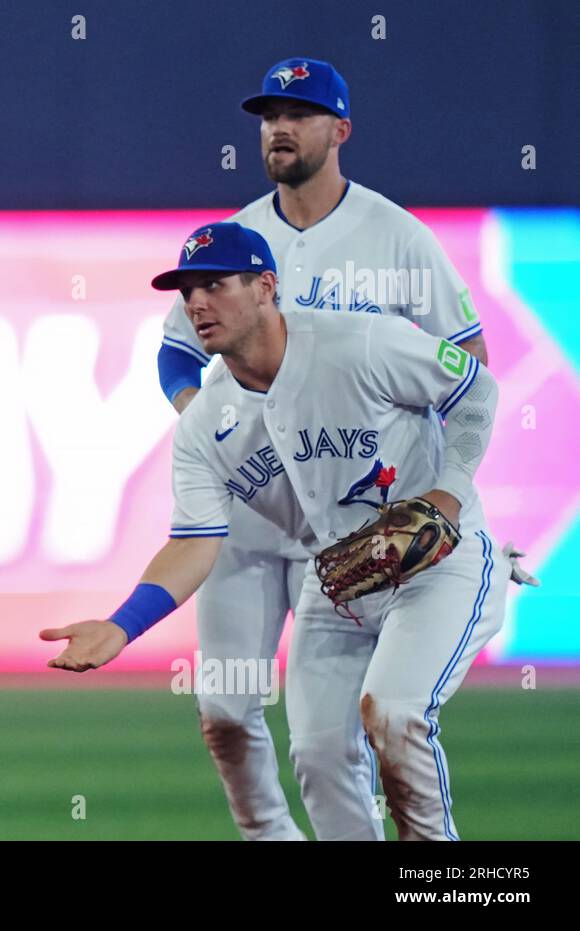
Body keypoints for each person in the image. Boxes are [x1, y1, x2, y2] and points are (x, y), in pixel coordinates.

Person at [45, 221, 507, 841]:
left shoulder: (360, 342)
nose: (197, 303)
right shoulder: (204, 424)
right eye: (187, 291)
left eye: (214, 284)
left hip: (439, 565)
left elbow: (475, 391)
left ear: (266, 286)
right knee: (317, 757)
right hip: (339, 582)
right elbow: (194, 543)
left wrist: (448, 493)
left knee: (394, 714)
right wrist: (121, 625)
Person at [154, 58, 491, 840]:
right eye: (269, 113)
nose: (279, 126)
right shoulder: (234, 241)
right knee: (227, 710)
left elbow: (468, 367)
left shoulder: (397, 236)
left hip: (362, 515)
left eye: (298, 113)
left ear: (339, 130)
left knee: (350, 729)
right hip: (259, 511)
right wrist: (211, 422)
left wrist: (452, 491)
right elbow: (175, 354)